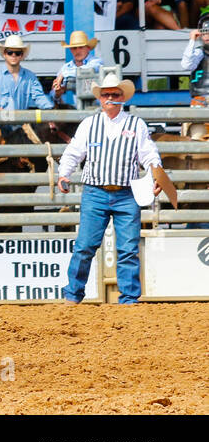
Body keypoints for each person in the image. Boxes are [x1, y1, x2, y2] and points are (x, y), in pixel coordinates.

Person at [57, 68, 165, 304]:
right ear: (100, 98)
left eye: (115, 95)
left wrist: (156, 175)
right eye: (106, 95)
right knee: (85, 246)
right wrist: (64, 173)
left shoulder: (136, 125)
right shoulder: (89, 124)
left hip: (126, 193)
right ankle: (73, 295)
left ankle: (128, 298)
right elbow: (74, 151)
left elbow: (149, 155)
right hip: (96, 192)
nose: (110, 99)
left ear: (122, 97)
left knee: (128, 249)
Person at [0, 35, 54, 136]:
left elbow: (39, 97)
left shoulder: (30, 77)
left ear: (21, 55)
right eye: (10, 52)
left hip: (22, 128)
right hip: (0, 126)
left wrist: (50, 109)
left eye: (17, 53)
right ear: (4, 54)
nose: (13, 55)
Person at [53, 30, 103, 107]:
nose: (77, 51)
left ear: (88, 48)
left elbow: (85, 70)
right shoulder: (66, 67)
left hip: (97, 109)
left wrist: (63, 75)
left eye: (81, 47)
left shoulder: (96, 62)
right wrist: (57, 94)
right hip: (77, 110)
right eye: (74, 48)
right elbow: (55, 95)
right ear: (70, 50)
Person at [179, 15, 209, 108]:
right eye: (204, 33)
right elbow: (186, 65)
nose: (207, 37)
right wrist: (192, 40)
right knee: (195, 122)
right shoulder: (199, 52)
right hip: (200, 99)